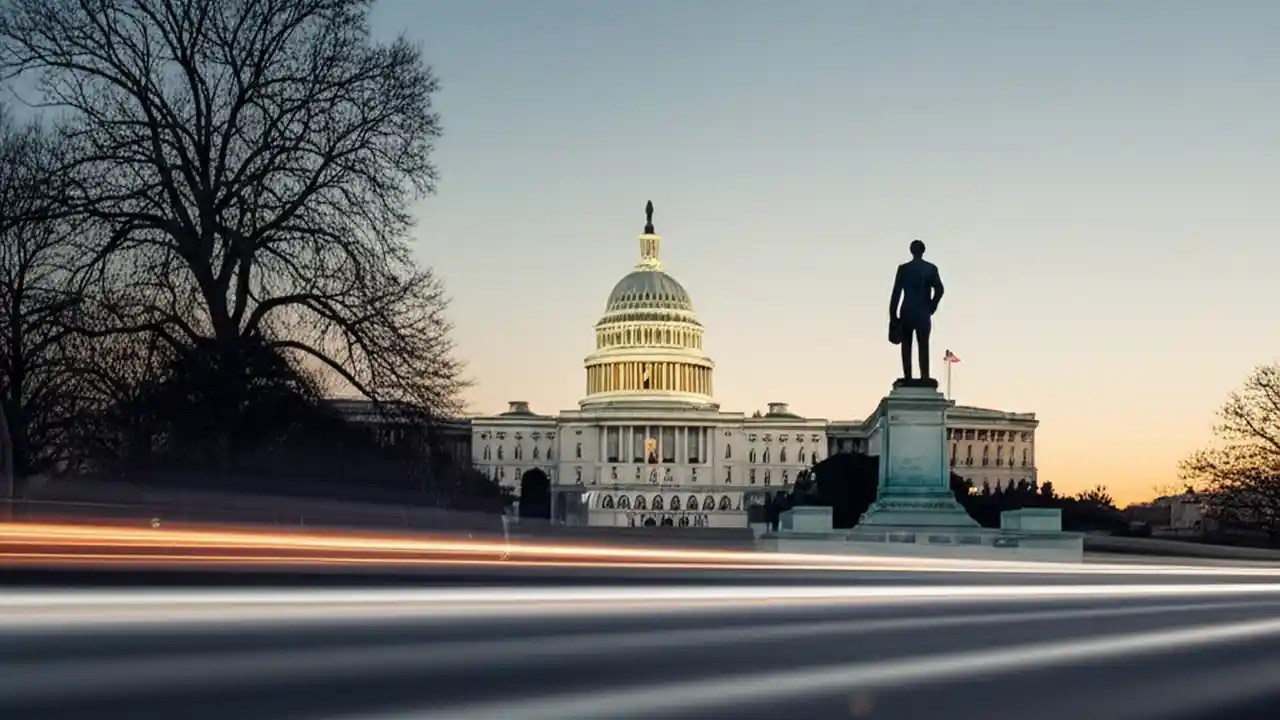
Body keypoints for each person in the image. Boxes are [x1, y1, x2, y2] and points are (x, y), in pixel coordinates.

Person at [889, 239, 945, 381]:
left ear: (911, 251)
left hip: (907, 309)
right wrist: (932, 306)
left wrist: (893, 315)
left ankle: (908, 376)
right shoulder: (930, 268)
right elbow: (939, 290)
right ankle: (924, 376)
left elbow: (896, 293)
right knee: (923, 344)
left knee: (906, 345)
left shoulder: (904, 269)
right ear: (923, 251)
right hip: (922, 310)